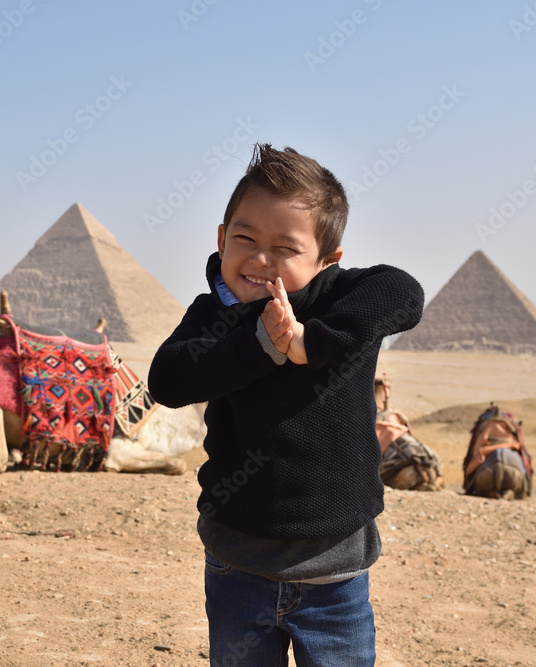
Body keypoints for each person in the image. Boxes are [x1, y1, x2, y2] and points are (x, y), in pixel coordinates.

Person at [148, 143, 424, 666]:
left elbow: (404, 291)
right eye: (245, 238)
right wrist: (259, 346)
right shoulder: (212, 316)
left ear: (327, 261)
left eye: (285, 248)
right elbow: (168, 379)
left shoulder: (341, 302)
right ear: (221, 238)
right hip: (238, 564)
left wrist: (308, 342)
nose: (259, 259)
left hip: (335, 574)